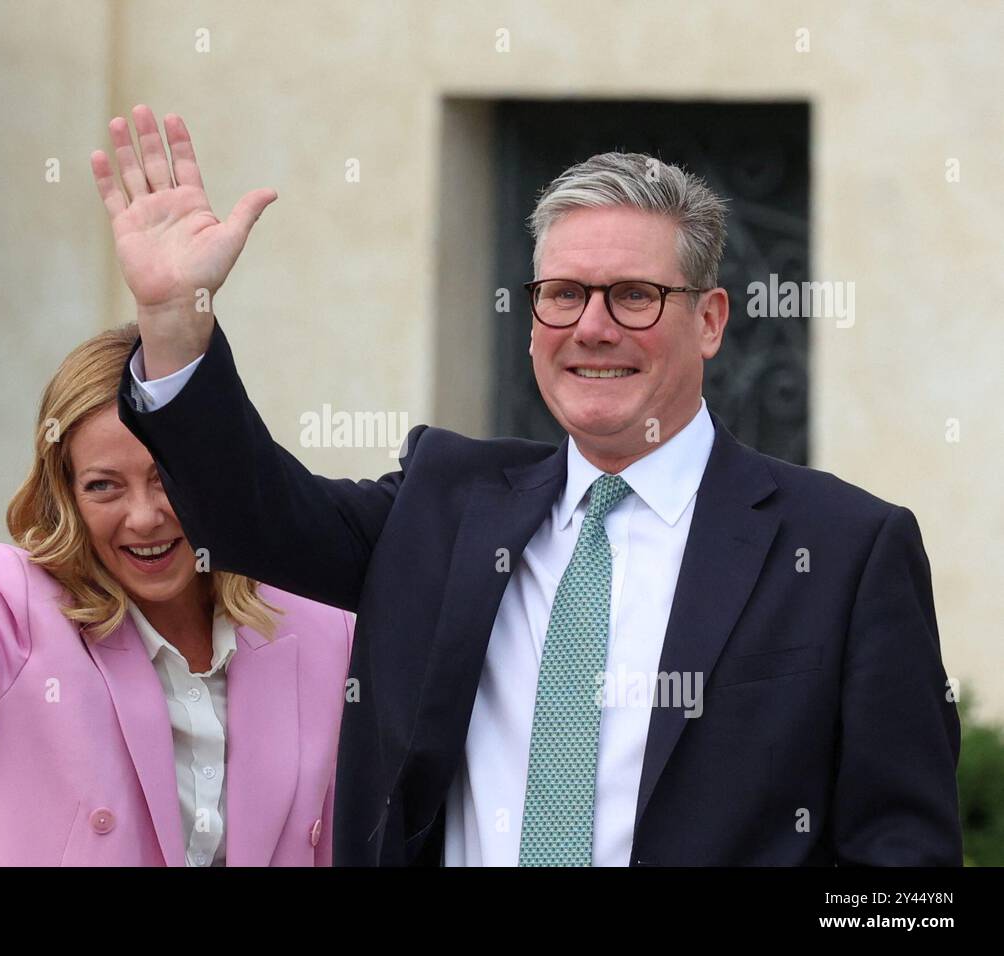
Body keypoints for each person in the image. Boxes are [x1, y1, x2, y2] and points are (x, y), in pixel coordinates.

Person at [91, 104, 962, 866]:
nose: (592, 327)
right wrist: (172, 320)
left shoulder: (844, 550)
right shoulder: (444, 506)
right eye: (563, 294)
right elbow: (248, 515)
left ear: (710, 320)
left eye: (634, 295)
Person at [0, 291, 352, 866]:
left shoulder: (319, 625)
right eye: (103, 486)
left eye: (167, 478)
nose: (143, 517)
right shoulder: (16, 609)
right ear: (66, 496)